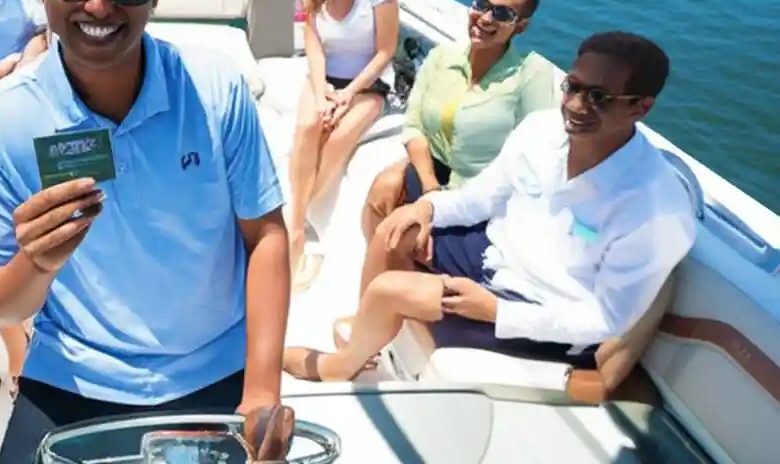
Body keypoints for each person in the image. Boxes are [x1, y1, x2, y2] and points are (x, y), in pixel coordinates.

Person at [0, 0, 291, 462]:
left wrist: (262, 389)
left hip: (215, 367)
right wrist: (35, 263)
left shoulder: (215, 90)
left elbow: (266, 236)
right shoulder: (3, 119)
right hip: (72, 378)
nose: (97, 5)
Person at [283, 32, 696, 382]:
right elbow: (481, 199)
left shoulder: (655, 208)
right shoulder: (540, 131)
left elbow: (609, 320)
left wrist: (498, 311)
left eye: (599, 97)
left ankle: (342, 366)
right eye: (572, 86)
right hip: (493, 258)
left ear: (641, 107)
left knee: (390, 290)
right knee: (396, 230)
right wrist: (426, 210)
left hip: (542, 314)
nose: (574, 105)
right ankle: (366, 335)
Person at [358, 0, 556, 291]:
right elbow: (414, 126)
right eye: (481, 4)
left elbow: (534, 155)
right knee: (383, 189)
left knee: (402, 233)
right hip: (432, 172)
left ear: (520, 26)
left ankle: (393, 297)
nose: (485, 18)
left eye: (503, 14)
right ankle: (377, 283)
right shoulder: (441, 58)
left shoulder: (530, 75)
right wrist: (430, 185)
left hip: (483, 192)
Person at [288, 0, 399, 279]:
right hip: (325, 78)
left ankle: (298, 222)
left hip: (367, 84)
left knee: (337, 138)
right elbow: (312, 45)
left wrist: (348, 95)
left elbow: (385, 51)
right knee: (307, 127)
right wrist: (323, 96)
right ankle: (298, 222)